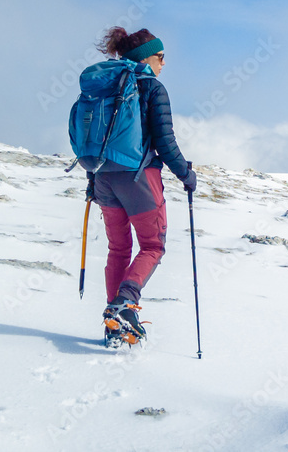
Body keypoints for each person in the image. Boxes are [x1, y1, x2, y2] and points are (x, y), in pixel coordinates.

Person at [88, 26, 197, 346]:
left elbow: (98, 139)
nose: (164, 63)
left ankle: (115, 320)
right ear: (145, 58)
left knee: (118, 248)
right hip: (139, 177)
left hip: (104, 177)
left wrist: (92, 181)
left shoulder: (108, 88)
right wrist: (185, 175)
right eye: (160, 56)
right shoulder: (151, 87)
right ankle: (124, 305)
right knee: (153, 246)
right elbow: (164, 141)